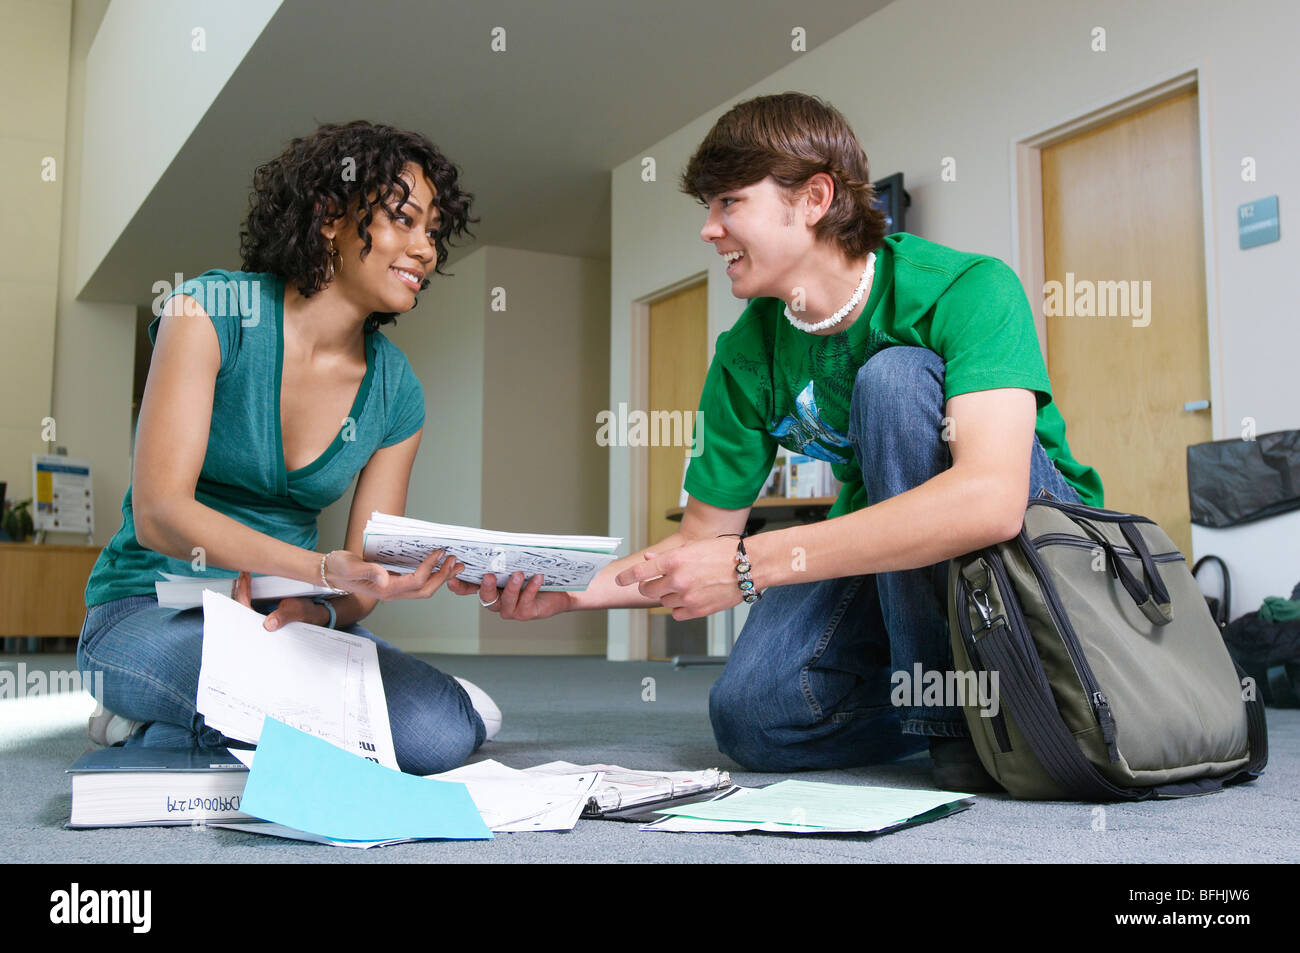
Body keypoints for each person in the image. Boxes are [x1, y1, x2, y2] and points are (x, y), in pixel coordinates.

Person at [451, 92, 1103, 791]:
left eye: (729, 202)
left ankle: (961, 732)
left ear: (814, 198)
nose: (708, 229)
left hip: (1038, 547)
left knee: (892, 380)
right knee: (755, 717)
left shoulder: (967, 288)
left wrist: (751, 564)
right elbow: (701, 542)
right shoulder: (746, 354)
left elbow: (991, 500)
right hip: (888, 557)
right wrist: (570, 590)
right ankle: (974, 704)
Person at [77, 121, 500, 775]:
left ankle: (166, 730)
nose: (425, 250)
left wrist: (323, 605)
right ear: (331, 215)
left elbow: (360, 576)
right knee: (275, 699)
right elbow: (162, 513)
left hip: (286, 618)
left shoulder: (397, 392)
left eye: (433, 232)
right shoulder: (208, 313)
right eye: (405, 220)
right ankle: (158, 714)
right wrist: (321, 569)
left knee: (439, 734)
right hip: (149, 605)